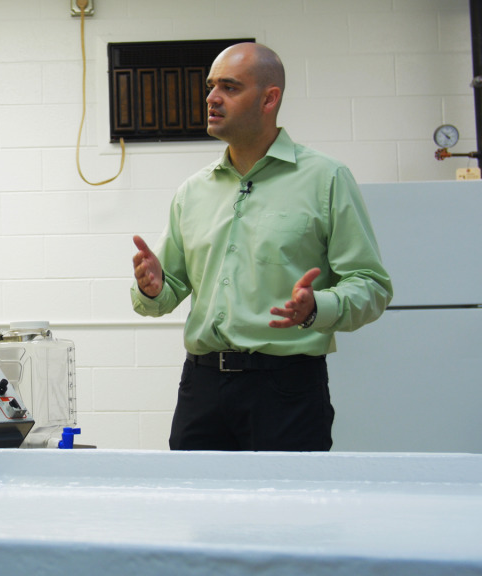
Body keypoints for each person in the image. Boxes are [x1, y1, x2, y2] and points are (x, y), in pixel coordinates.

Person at [130, 43, 392, 451]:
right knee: (196, 494)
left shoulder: (326, 178)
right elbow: (167, 293)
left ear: (269, 99)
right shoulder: (193, 191)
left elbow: (371, 285)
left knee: (287, 497)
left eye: (230, 87)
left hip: (287, 390)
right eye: (211, 86)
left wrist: (317, 307)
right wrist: (153, 288)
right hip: (202, 388)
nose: (212, 98)